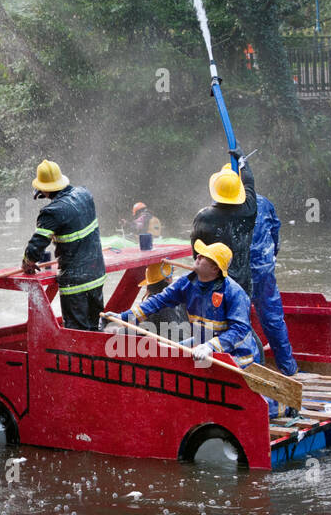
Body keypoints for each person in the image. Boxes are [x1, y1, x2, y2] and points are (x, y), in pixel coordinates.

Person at [106, 239, 264, 373]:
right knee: (167, 357)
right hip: (202, 345)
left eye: (204, 257)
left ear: (215, 269)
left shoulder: (234, 293)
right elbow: (159, 300)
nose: (199, 256)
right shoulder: (188, 282)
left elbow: (240, 330)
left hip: (237, 356)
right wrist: (123, 317)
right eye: (200, 254)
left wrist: (211, 346)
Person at [22, 160, 106, 331]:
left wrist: (28, 262)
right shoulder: (85, 195)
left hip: (75, 282)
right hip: (96, 274)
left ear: (43, 189)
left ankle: (77, 357)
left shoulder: (51, 212)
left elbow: (36, 246)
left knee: (77, 333)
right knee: (95, 328)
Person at [190, 158, 257, 296]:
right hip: (241, 287)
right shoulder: (249, 212)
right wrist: (243, 162)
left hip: (212, 285)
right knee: (240, 316)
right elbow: (249, 183)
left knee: (212, 317)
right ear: (239, 192)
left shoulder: (204, 217)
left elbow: (196, 254)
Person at [249, 194, 297, 375]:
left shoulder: (222, 208)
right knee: (273, 319)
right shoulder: (263, 202)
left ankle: (250, 368)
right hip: (264, 270)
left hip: (236, 274)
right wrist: (269, 259)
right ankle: (288, 369)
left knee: (237, 322)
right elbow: (275, 234)